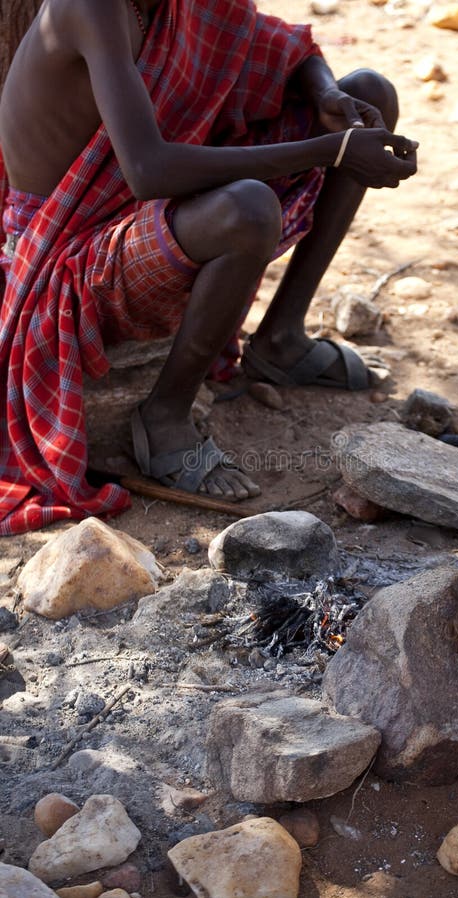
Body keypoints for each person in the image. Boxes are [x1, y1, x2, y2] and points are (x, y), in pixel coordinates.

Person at [0, 0, 418, 535]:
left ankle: (281, 340)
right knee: (247, 209)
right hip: (63, 251)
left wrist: (327, 95)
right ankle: (165, 419)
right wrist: (330, 150)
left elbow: (277, 46)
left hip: (128, 212)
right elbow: (150, 170)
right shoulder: (92, 7)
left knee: (367, 92)